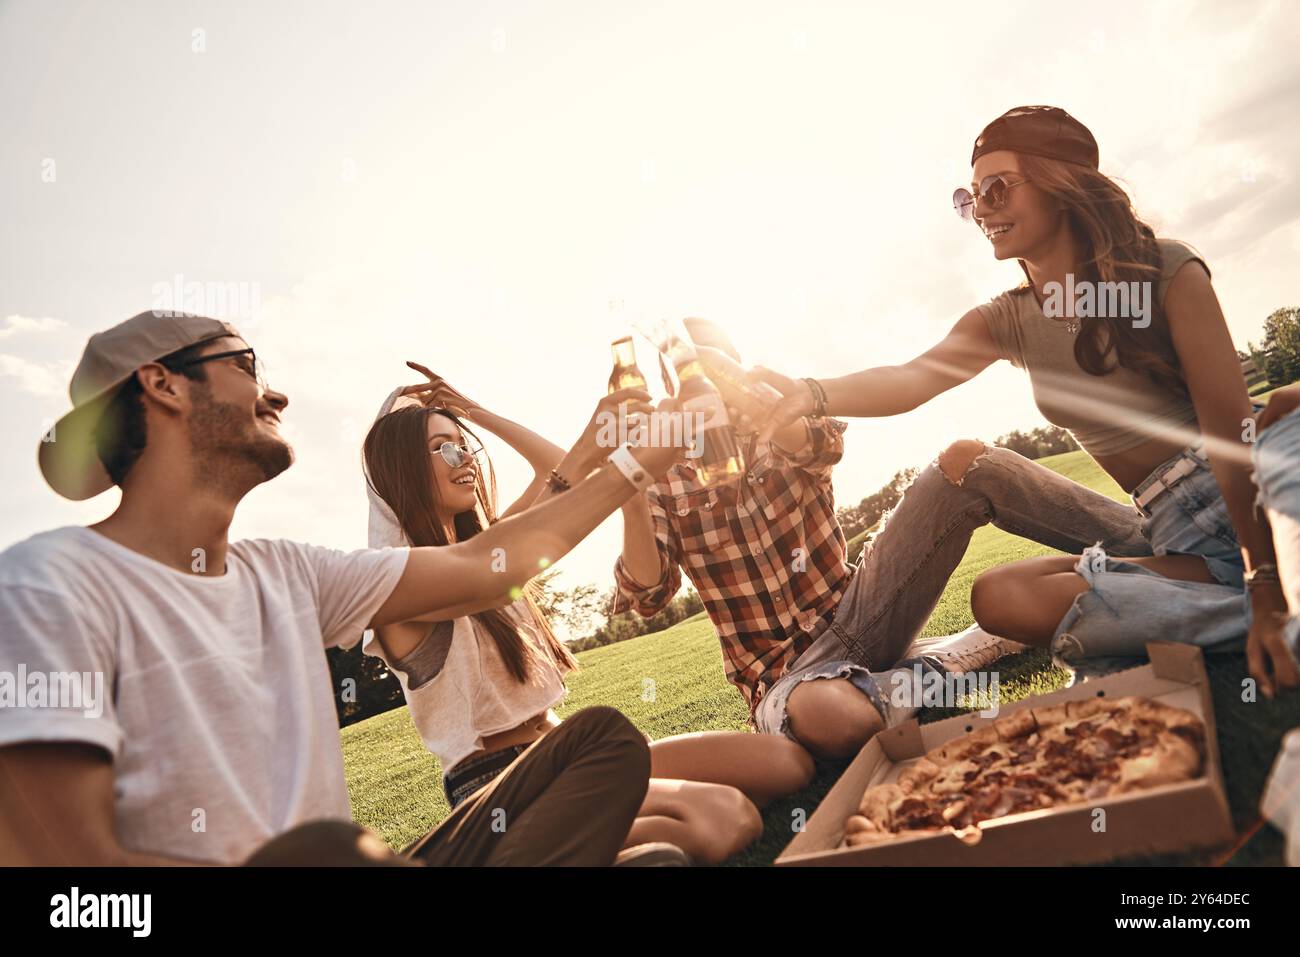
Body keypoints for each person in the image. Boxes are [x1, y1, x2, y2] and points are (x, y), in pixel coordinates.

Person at [0, 312, 684, 866]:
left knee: (602, 741)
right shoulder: (48, 587)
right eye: (245, 364)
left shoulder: (289, 571)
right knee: (322, 852)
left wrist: (639, 458)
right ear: (163, 385)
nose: (276, 394)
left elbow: (489, 566)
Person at [755, 105, 1298, 696]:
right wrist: (811, 393)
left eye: (997, 189)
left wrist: (1265, 574)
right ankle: (1251, 616)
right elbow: (910, 378)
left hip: (1251, 503)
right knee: (1001, 597)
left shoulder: (1164, 270)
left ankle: (1268, 604)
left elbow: (1233, 437)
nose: (982, 210)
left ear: (1061, 184)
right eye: (970, 198)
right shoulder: (1007, 319)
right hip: (1169, 535)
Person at [360, 367, 815, 863]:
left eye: (462, 444)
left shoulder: (488, 547)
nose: (462, 457)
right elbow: (567, 475)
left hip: (571, 750)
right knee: (727, 818)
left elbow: (558, 468)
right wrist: (596, 440)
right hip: (503, 786)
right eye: (440, 448)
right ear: (399, 469)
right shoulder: (398, 585)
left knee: (784, 764)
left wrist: (474, 413)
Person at [615, 318, 1020, 761]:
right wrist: (628, 490)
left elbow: (825, 444)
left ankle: (1110, 543)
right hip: (784, 676)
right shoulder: (660, 474)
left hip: (862, 612)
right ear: (674, 389)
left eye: (720, 368)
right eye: (694, 372)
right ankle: (948, 660)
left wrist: (753, 404)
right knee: (841, 721)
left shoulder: (783, 426)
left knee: (962, 461)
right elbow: (648, 595)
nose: (711, 384)